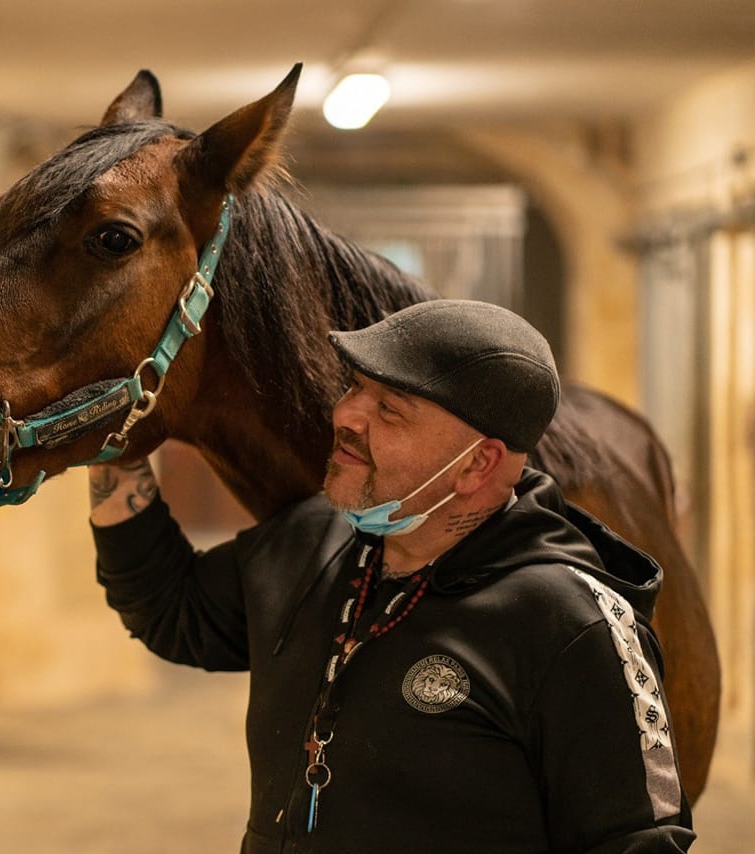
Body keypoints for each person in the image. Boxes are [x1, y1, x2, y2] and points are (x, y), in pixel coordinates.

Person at [88, 299, 694, 854]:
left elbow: (638, 843)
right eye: (354, 387)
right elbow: (172, 610)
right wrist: (118, 441)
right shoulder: (315, 539)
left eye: (390, 409)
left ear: (478, 463)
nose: (346, 415)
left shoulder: (570, 623)